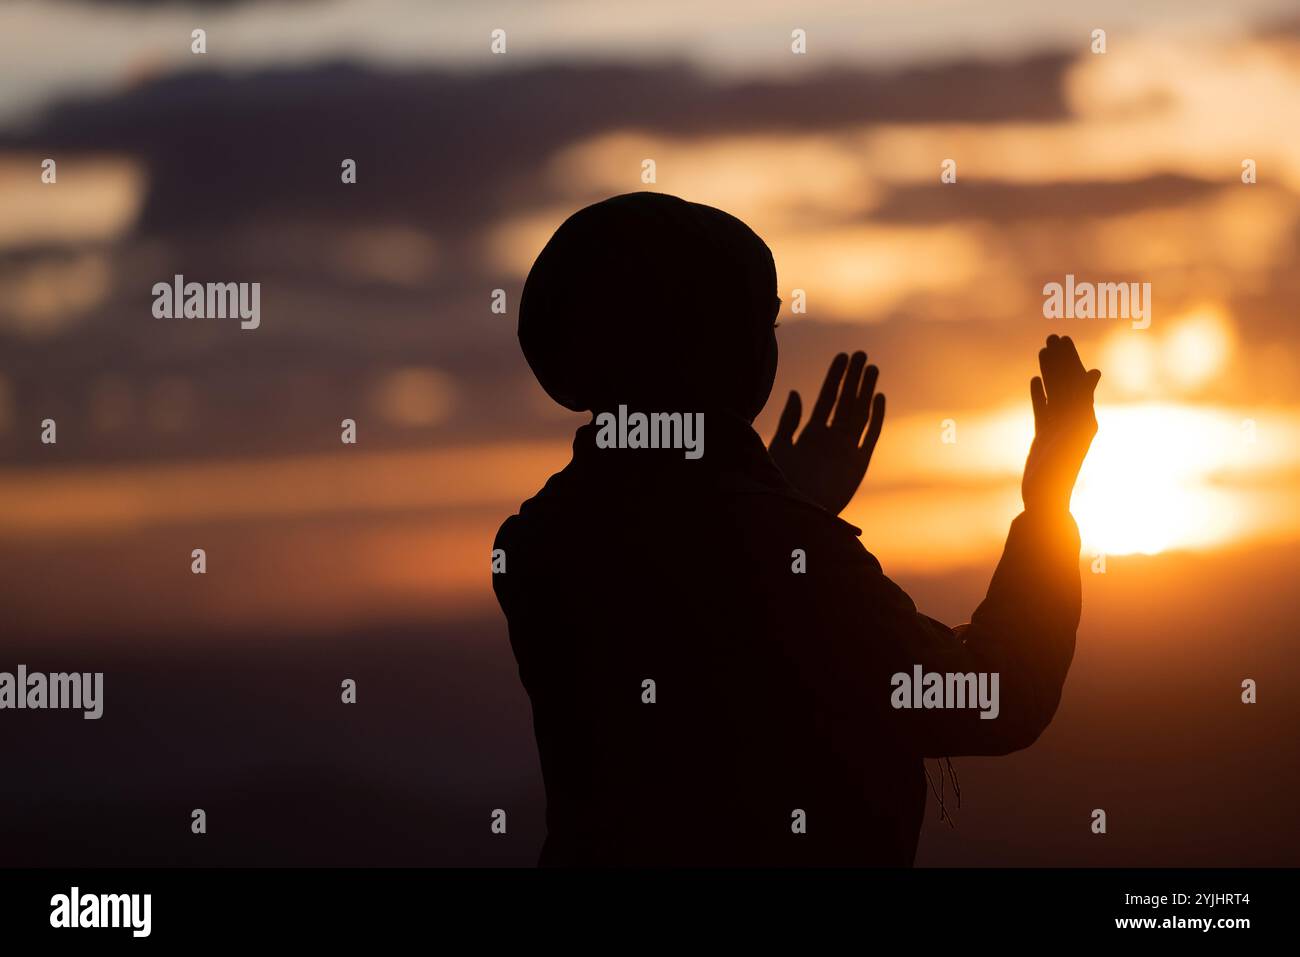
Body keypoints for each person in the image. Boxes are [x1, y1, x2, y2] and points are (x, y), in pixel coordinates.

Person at [492, 191, 1101, 866]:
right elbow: (994, 695)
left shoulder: (538, 539)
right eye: (763, 326)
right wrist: (1048, 506)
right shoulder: (777, 549)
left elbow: (704, 618)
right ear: (718, 350)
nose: (771, 350)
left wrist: (784, 503)